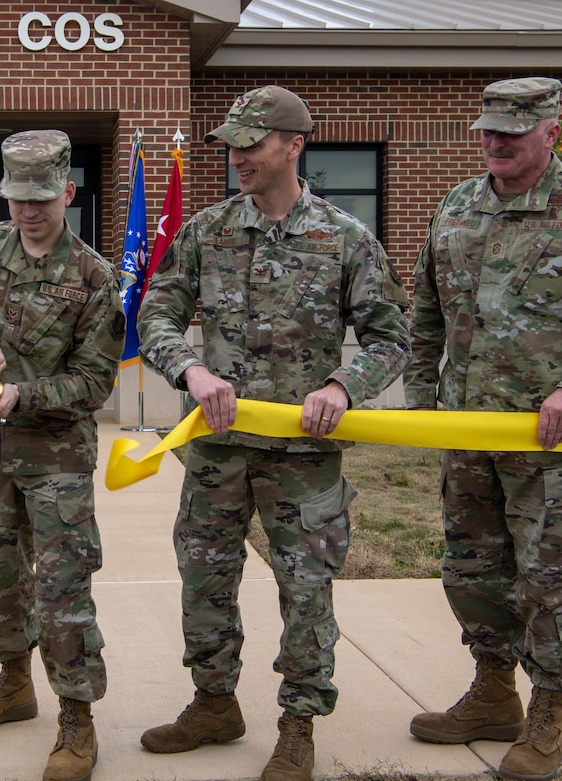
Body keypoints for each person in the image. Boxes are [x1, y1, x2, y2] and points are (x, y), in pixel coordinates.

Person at [136, 86, 411, 781]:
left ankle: (298, 724)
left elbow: (390, 336)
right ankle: (213, 703)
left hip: (303, 460)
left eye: (251, 144)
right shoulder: (207, 230)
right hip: (216, 452)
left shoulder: (345, 239)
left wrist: (343, 386)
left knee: (306, 589)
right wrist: (190, 371)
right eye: (231, 145)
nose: (237, 158)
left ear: (294, 145)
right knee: (204, 581)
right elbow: (156, 315)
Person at [404, 77, 562, 781]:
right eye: (488, 130)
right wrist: (421, 396)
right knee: (472, 570)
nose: (494, 143)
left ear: (552, 133)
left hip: (552, 444)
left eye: (511, 134)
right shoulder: (456, 206)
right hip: (466, 435)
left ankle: (549, 715)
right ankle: (494, 693)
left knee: (548, 579)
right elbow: (426, 312)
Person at [0, 129, 124, 781]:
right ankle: (14, 684)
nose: (28, 211)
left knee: (62, 592)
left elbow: (95, 382)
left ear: (68, 191)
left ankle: (77, 718)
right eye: (16, 199)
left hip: (57, 457)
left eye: (41, 199)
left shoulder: (92, 277)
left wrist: (26, 395)